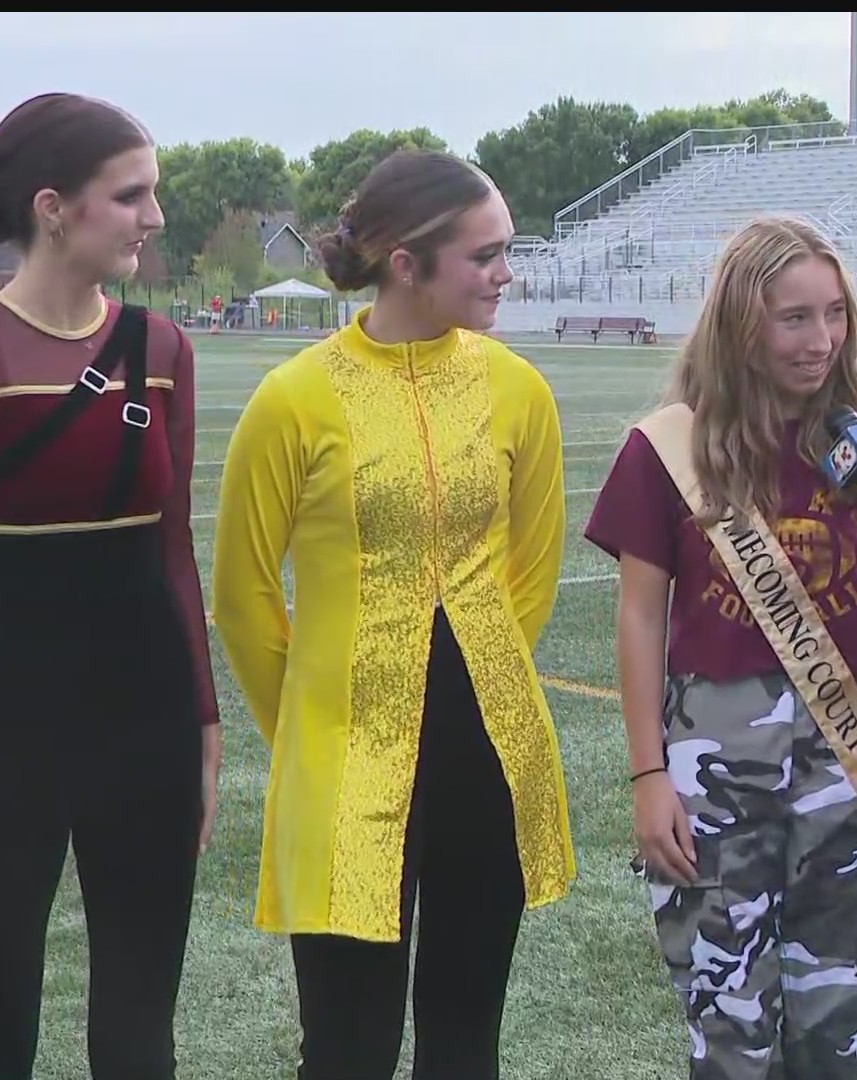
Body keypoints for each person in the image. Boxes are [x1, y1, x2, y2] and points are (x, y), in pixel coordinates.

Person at [0, 91, 222, 1079]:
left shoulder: (163, 352)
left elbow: (174, 552)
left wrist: (203, 725)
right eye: (132, 195)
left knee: (137, 1039)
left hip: (147, 725)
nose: (154, 217)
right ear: (53, 206)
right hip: (3, 735)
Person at [209, 148, 575, 1080]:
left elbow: (531, 567)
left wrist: (487, 671)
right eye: (484, 256)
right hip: (341, 768)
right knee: (345, 1049)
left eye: (507, 251)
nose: (505, 273)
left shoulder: (518, 390)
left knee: (464, 1042)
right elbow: (244, 595)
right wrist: (305, 728)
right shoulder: (293, 398)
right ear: (405, 264)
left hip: (489, 757)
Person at [583, 215, 857, 1080]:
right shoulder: (669, 448)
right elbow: (639, 618)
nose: (821, 341)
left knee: (832, 1033)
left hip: (846, 776)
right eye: (794, 319)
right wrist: (647, 775)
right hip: (712, 773)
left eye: (835, 314)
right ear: (741, 323)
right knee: (731, 1035)